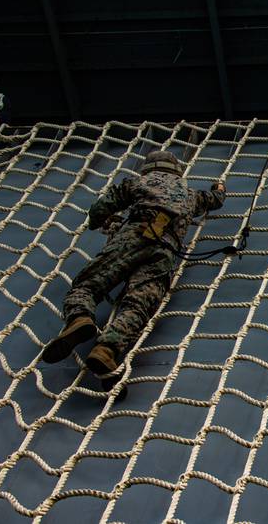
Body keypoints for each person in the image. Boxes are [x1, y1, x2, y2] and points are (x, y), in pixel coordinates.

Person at [42, 151, 226, 389]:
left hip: (134, 236)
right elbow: (214, 199)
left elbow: (102, 208)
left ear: (148, 168)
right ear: (177, 171)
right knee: (139, 302)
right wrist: (220, 187)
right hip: (166, 249)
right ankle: (107, 349)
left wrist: (99, 221)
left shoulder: (140, 182)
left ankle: (80, 318)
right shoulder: (190, 194)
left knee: (88, 285)